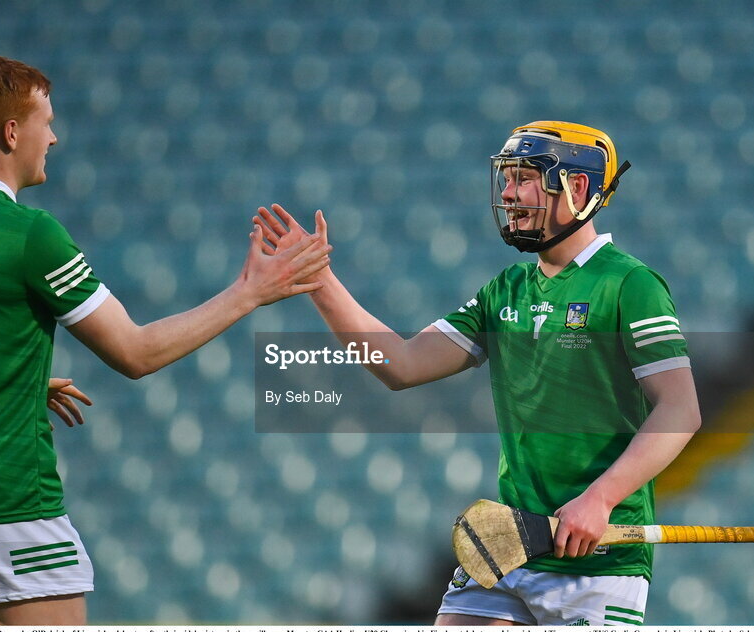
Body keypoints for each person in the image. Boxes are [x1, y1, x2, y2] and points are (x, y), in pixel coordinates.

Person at [0, 51, 330, 626]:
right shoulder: (31, 234)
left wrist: (5, 382)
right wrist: (250, 292)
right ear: (11, 132)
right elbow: (135, 353)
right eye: (46, 122)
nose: (53, 138)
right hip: (5, 505)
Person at [254, 121, 701, 626]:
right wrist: (320, 281)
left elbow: (681, 410)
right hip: (508, 546)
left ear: (578, 188)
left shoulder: (630, 285)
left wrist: (600, 499)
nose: (508, 194)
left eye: (525, 178)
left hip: (597, 563)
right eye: (506, 178)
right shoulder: (506, 290)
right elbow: (400, 364)